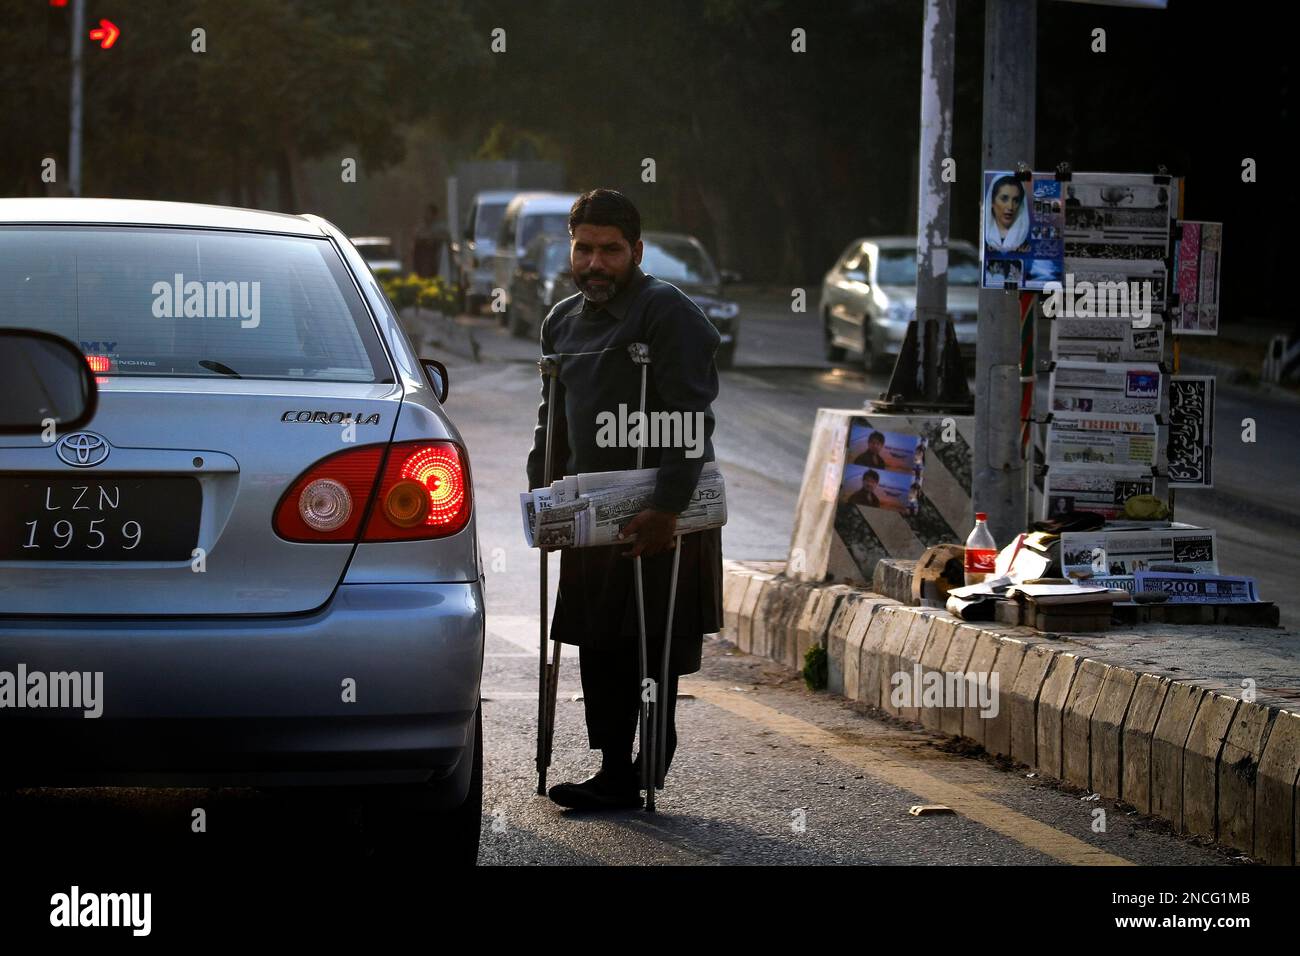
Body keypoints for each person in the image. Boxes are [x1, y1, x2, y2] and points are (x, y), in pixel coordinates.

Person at [526, 188, 723, 811]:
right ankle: (615, 767)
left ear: (636, 251)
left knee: (649, 640)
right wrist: (542, 495)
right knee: (598, 638)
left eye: (610, 251)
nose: (595, 264)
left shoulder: (667, 312)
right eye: (584, 249)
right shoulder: (561, 320)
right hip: (591, 511)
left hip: (658, 504)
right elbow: (550, 419)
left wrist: (667, 509)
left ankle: (649, 753)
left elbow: (692, 419)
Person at [984, 175, 1029, 252]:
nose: (1010, 207)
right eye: (1004, 199)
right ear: (992, 202)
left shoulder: (1026, 243)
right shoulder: (983, 238)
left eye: (1015, 200)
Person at [411, 203, 449, 277]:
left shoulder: (440, 227)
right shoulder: (421, 226)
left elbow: (445, 237)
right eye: (426, 213)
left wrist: (434, 237)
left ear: (434, 214)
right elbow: (416, 237)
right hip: (422, 257)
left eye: (429, 213)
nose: (426, 215)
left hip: (436, 257)